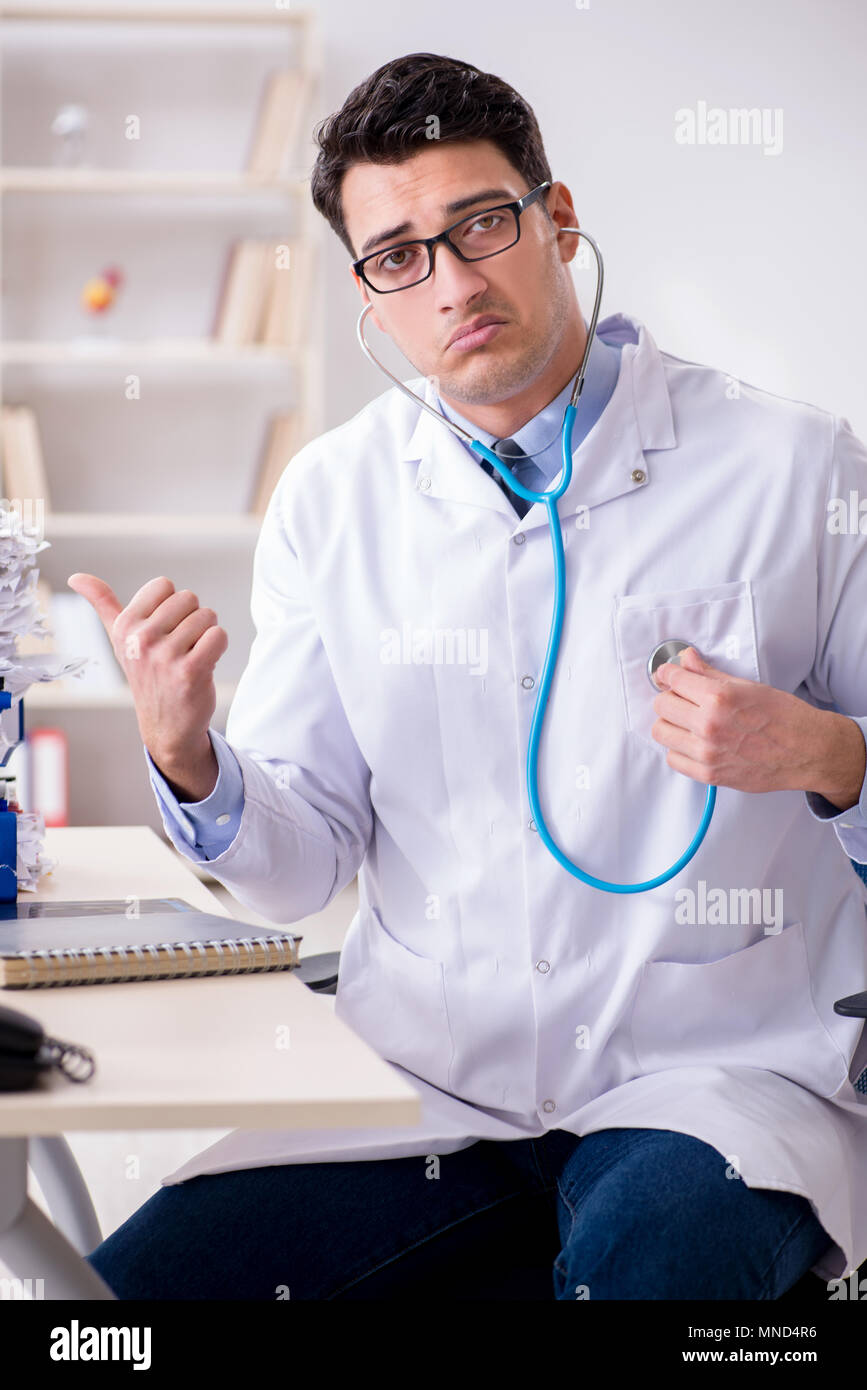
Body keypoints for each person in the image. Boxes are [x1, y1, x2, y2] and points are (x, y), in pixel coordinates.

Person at [70, 52, 867, 1301]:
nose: (450, 281)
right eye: (400, 255)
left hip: (713, 1080)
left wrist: (825, 753)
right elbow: (305, 861)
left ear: (555, 219)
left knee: (647, 1281)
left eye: (480, 225)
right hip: (423, 1089)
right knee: (106, 1314)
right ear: (369, 293)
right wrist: (190, 756)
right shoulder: (333, 500)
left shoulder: (794, 466)